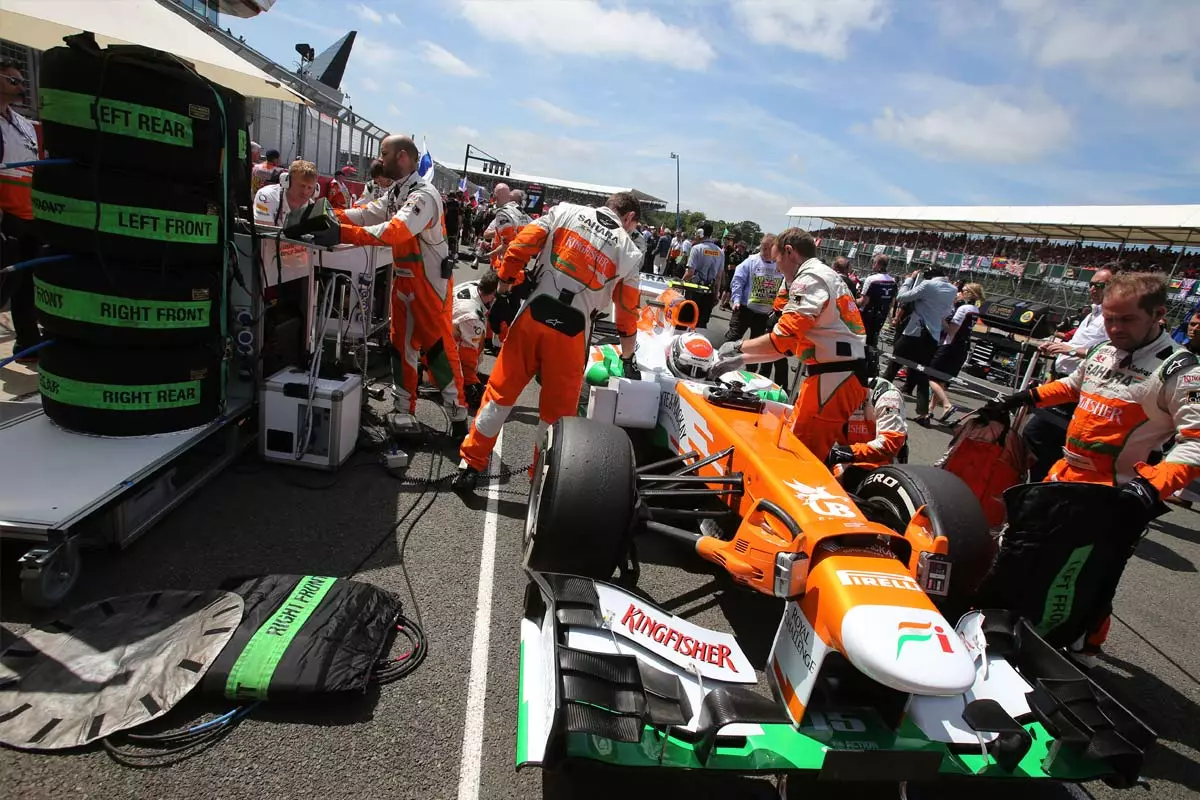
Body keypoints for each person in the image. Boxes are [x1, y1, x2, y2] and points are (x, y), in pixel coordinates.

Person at [983, 272, 1200, 663]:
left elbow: (1195, 442)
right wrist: (1024, 397)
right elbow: (1071, 386)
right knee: (1022, 558)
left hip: (1113, 495)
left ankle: (1086, 646)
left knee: (1087, 577)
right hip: (1062, 477)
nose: (1115, 328)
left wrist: (1152, 487)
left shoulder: (1180, 370)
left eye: (1127, 319)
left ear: (1158, 315)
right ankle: (1010, 629)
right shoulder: (1102, 349)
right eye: (1109, 318)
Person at [454, 192, 644, 491]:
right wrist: (628, 358)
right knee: (556, 417)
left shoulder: (564, 211)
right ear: (630, 218)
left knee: (499, 395)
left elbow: (519, 246)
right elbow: (627, 314)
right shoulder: (630, 252)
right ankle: (540, 484)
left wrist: (504, 285)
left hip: (533, 314)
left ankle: (470, 464)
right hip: (573, 331)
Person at [332, 135, 468, 438]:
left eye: (385, 153)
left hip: (430, 286)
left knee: (438, 352)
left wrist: (341, 231)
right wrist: (331, 216)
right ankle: (403, 409)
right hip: (404, 281)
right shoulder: (397, 191)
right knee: (401, 347)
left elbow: (395, 231)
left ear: (403, 156)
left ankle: (458, 417)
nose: (380, 159)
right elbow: (368, 213)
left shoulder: (424, 195)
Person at [708, 228, 867, 461]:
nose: (777, 268)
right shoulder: (823, 274)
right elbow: (787, 347)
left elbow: (781, 340)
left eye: (777, 261)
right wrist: (742, 360)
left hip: (835, 379)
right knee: (795, 443)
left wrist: (738, 347)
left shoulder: (809, 279)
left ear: (790, 252)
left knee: (801, 457)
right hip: (834, 374)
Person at [1022, 267, 1113, 481]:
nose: (1092, 288)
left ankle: (1041, 488)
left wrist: (1069, 350)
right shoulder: (1092, 313)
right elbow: (1077, 342)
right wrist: (1058, 343)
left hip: (1082, 390)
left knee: (1038, 435)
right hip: (1064, 382)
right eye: (1091, 284)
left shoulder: (1113, 317)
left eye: (1099, 285)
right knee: (1040, 439)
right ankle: (1040, 487)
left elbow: (1112, 351)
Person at [0, 57, 42, 364]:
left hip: (28, 215)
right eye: (12, 81)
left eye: (21, 81)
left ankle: (27, 344)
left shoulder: (25, 125)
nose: (20, 86)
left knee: (25, 284)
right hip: (4, 217)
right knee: (4, 285)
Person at [883, 265, 958, 419]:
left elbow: (902, 297)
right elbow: (946, 312)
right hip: (933, 335)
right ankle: (923, 412)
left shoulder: (928, 285)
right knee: (923, 373)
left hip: (914, 332)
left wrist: (909, 280)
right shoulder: (952, 290)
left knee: (894, 364)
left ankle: (876, 395)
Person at [726, 234, 788, 387]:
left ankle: (750, 378)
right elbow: (738, 281)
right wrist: (737, 300)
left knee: (757, 346)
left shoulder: (779, 266)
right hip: (745, 308)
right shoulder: (751, 261)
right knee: (733, 338)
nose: (764, 251)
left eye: (768, 248)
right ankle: (722, 366)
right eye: (762, 247)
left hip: (765, 314)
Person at [925, 283, 985, 424]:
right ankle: (930, 409)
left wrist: (941, 319)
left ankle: (946, 404)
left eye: (963, 291)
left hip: (950, 346)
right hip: (962, 348)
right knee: (942, 380)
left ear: (970, 294)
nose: (960, 293)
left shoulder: (964, 309)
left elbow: (951, 330)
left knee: (928, 375)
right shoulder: (975, 309)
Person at [826, 376, 908, 467]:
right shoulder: (830, 391)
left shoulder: (889, 396)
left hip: (882, 463)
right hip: (848, 458)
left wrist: (845, 452)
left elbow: (891, 443)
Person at [452, 269, 500, 411]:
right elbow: (468, 355)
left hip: (442, 326)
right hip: (445, 347)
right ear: (492, 294)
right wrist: (471, 382)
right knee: (474, 392)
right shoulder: (473, 318)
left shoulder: (474, 285)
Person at [252, 159, 319, 226]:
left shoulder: (314, 209)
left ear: (316, 189)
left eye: (310, 187)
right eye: (302, 186)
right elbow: (264, 233)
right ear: (287, 182)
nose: (305, 192)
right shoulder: (266, 196)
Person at [681, 222, 723, 328]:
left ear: (700, 232)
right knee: (701, 326)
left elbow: (690, 273)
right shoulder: (720, 252)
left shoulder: (697, 248)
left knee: (687, 322)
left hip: (694, 292)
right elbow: (719, 277)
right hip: (709, 292)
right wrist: (716, 294)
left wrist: (680, 283)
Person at [484, 184, 530, 269]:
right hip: (504, 263)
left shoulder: (504, 214)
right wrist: (499, 231)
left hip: (508, 265)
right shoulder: (527, 219)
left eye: (513, 201)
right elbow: (486, 234)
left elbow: (506, 246)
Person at [857, 254, 897, 350]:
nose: (873, 265)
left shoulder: (871, 279)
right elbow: (892, 303)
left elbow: (863, 302)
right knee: (872, 342)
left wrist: (852, 301)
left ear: (877, 264)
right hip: (881, 317)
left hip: (866, 316)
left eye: (874, 263)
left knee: (860, 343)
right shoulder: (893, 282)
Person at [444, 192, 462, 260]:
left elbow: (445, 213)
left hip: (447, 223)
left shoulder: (446, 203)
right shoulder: (457, 204)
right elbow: (459, 215)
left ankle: (446, 253)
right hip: (455, 224)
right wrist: (460, 225)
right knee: (454, 239)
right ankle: (453, 254)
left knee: (446, 239)